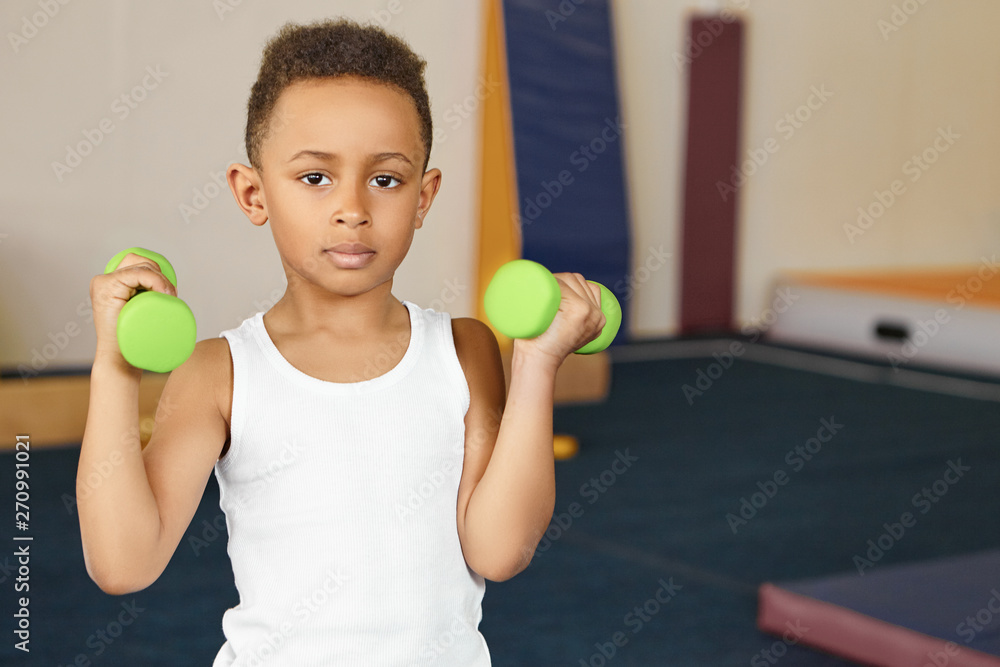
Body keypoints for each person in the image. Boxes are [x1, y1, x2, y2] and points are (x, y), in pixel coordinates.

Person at [79, 17, 605, 665]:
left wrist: (537, 361)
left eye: (385, 179)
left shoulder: (463, 351)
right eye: (315, 178)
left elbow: (500, 549)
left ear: (423, 196)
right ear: (253, 193)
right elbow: (123, 563)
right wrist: (113, 367)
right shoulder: (219, 371)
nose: (351, 208)